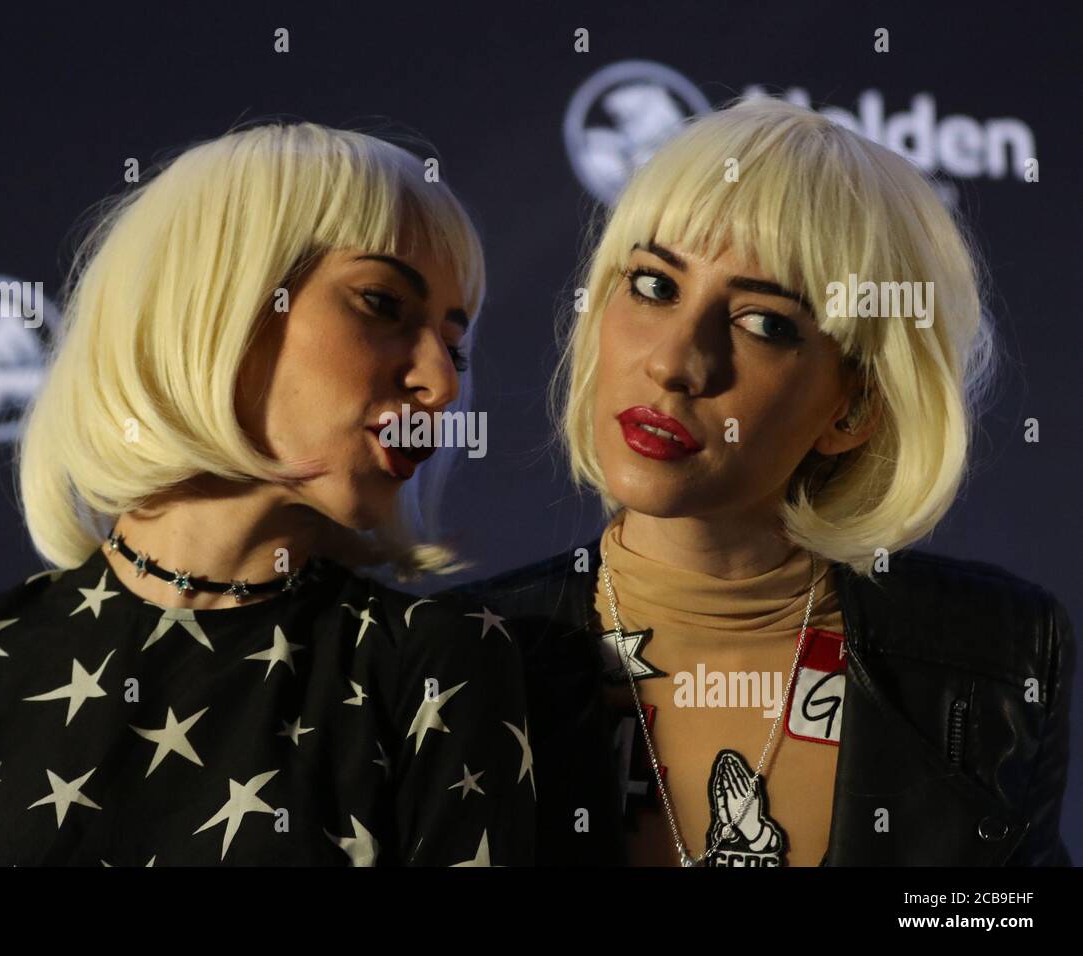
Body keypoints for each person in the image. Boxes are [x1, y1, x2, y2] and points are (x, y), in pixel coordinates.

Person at [0, 122, 535, 867]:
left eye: (455, 343)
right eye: (382, 303)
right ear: (218, 302)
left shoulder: (432, 667)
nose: (443, 382)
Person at [443, 97, 1074, 867]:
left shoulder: (995, 656)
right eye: (653, 286)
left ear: (856, 407)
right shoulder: (452, 658)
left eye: (765, 324)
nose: (677, 362)